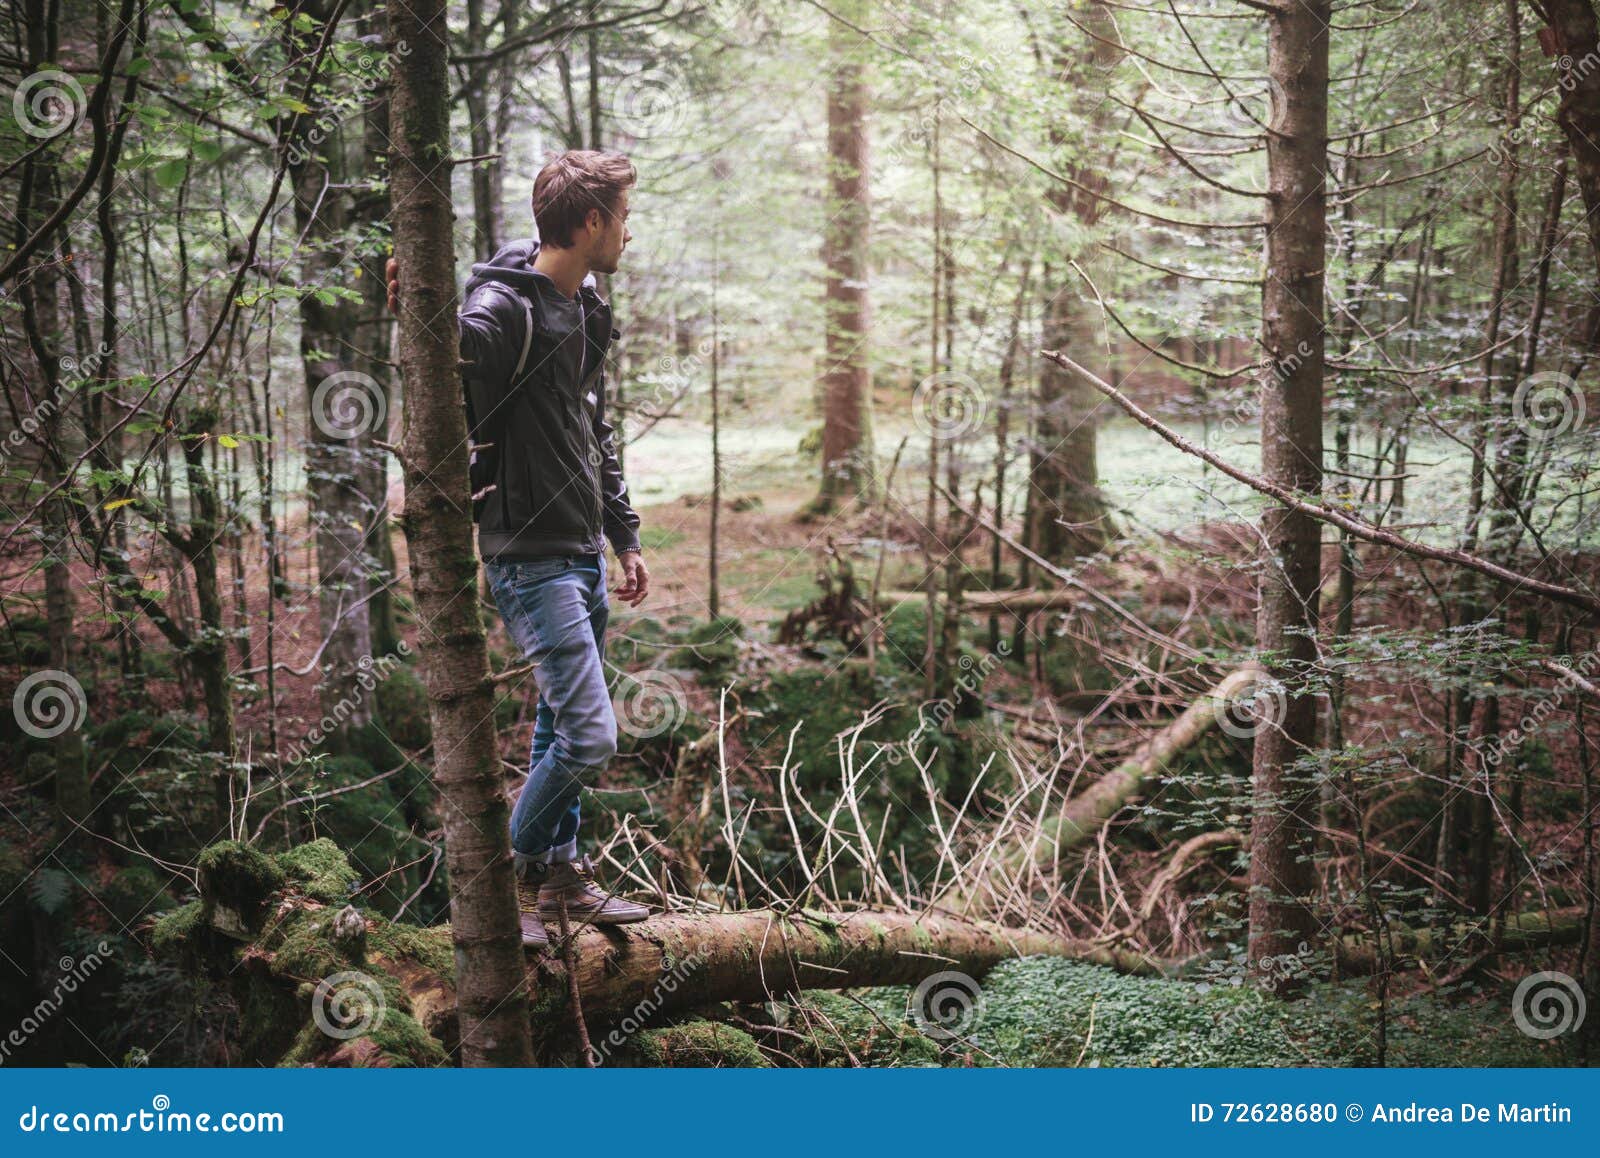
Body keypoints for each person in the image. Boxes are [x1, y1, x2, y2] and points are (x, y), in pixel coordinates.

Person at [386, 150, 652, 946]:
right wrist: (415, 315)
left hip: (579, 546)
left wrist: (623, 532)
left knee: (555, 729)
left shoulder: (589, 306)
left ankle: (560, 881)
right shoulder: (504, 308)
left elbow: (589, 424)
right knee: (592, 734)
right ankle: (500, 880)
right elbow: (448, 363)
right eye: (624, 219)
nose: (630, 235)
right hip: (526, 554)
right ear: (591, 222)